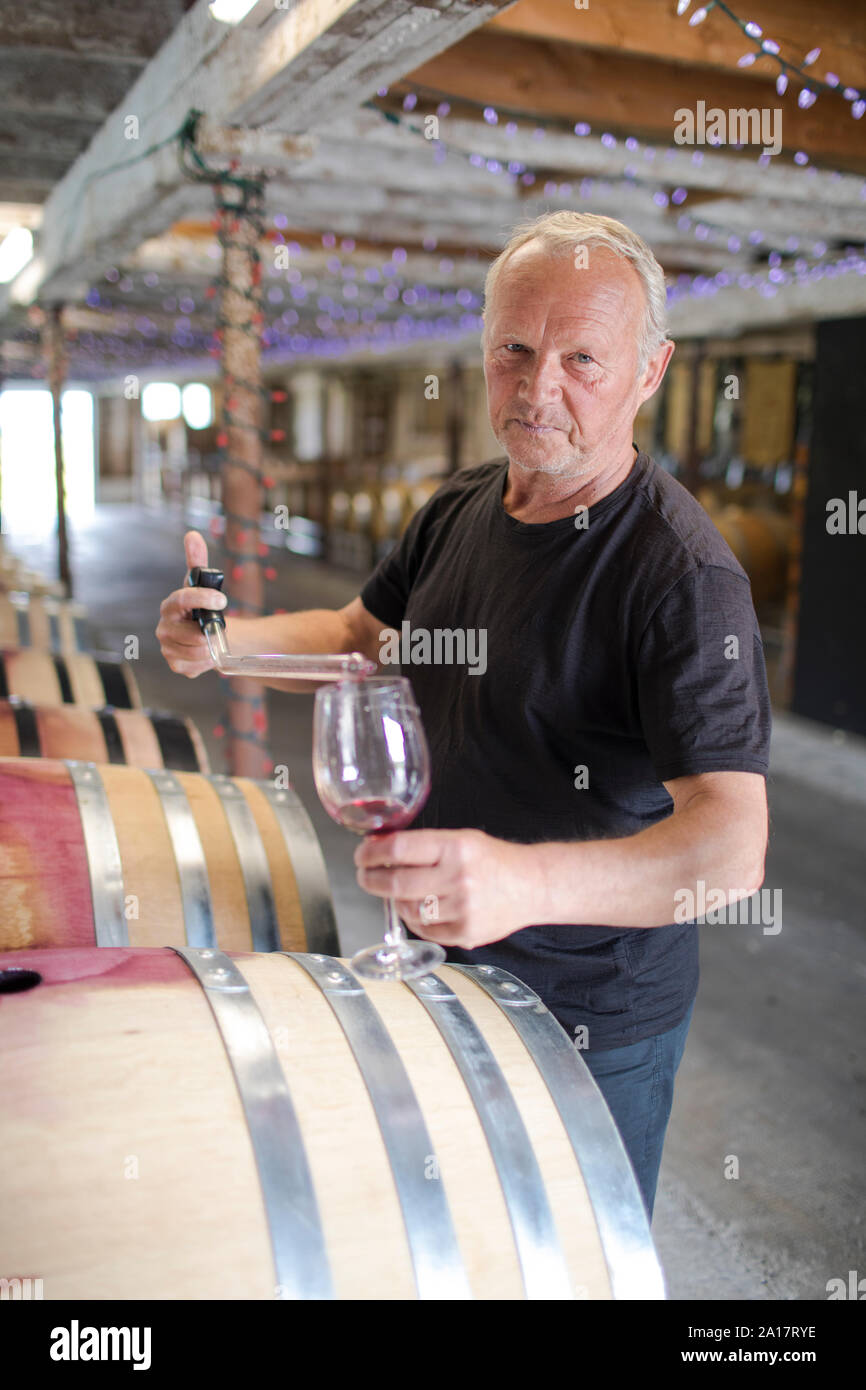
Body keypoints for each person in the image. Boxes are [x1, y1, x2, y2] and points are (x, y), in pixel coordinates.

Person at [157, 211, 770, 1222]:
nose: (537, 389)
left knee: (567, 1265)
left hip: (584, 1019)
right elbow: (362, 637)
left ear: (649, 373)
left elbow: (730, 845)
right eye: (514, 352)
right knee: (454, 1244)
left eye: (582, 359)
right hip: (438, 965)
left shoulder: (680, 575)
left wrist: (521, 879)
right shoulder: (462, 505)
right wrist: (227, 642)